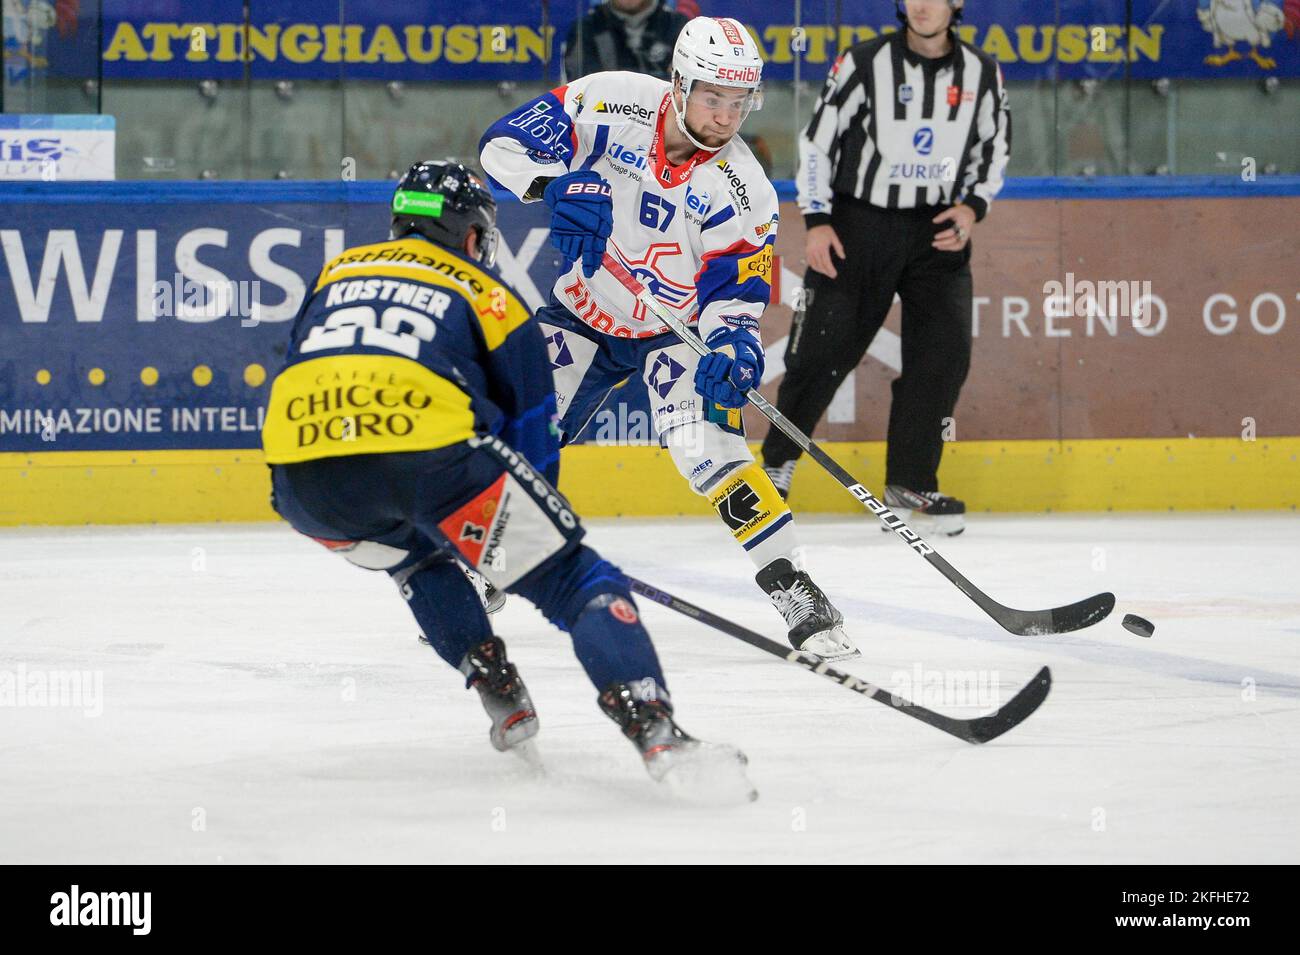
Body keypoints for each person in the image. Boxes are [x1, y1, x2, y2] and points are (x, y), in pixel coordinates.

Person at [260, 160, 752, 794]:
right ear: (471, 235)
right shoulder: (489, 294)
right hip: (428, 458)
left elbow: (307, 359)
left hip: (303, 486)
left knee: (415, 558)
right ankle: (652, 726)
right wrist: (548, 547)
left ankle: (496, 684)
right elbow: (534, 432)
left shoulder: (336, 272)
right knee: (578, 580)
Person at [479, 17, 858, 661]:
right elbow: (497, 151)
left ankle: (790, 581)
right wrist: (554, 186)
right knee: (520, 426)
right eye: (714, 97)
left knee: (709, 450)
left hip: (673, 332)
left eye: (740, 102)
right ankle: (487, 556)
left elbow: (734, 296)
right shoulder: (610, 99)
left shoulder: (748, 191)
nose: (726, 116)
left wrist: (734, 347)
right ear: (678, 83)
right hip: (586, 309)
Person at [761, 0, 1010, 537]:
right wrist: (818, 218)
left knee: (943, 357)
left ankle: (910, 482)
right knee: (820, 352)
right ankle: (775, 468)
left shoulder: (981, 73)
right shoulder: (863, 62)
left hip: (938, 232)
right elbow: (817, 142)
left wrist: (972, 208)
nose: (921, 5)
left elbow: (994, 149)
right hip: (859, 225)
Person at [561, 0, 689, 83]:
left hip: (663, 118)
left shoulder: (678, 25)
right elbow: (581, 86)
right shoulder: (587, 28)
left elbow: (686, 87)